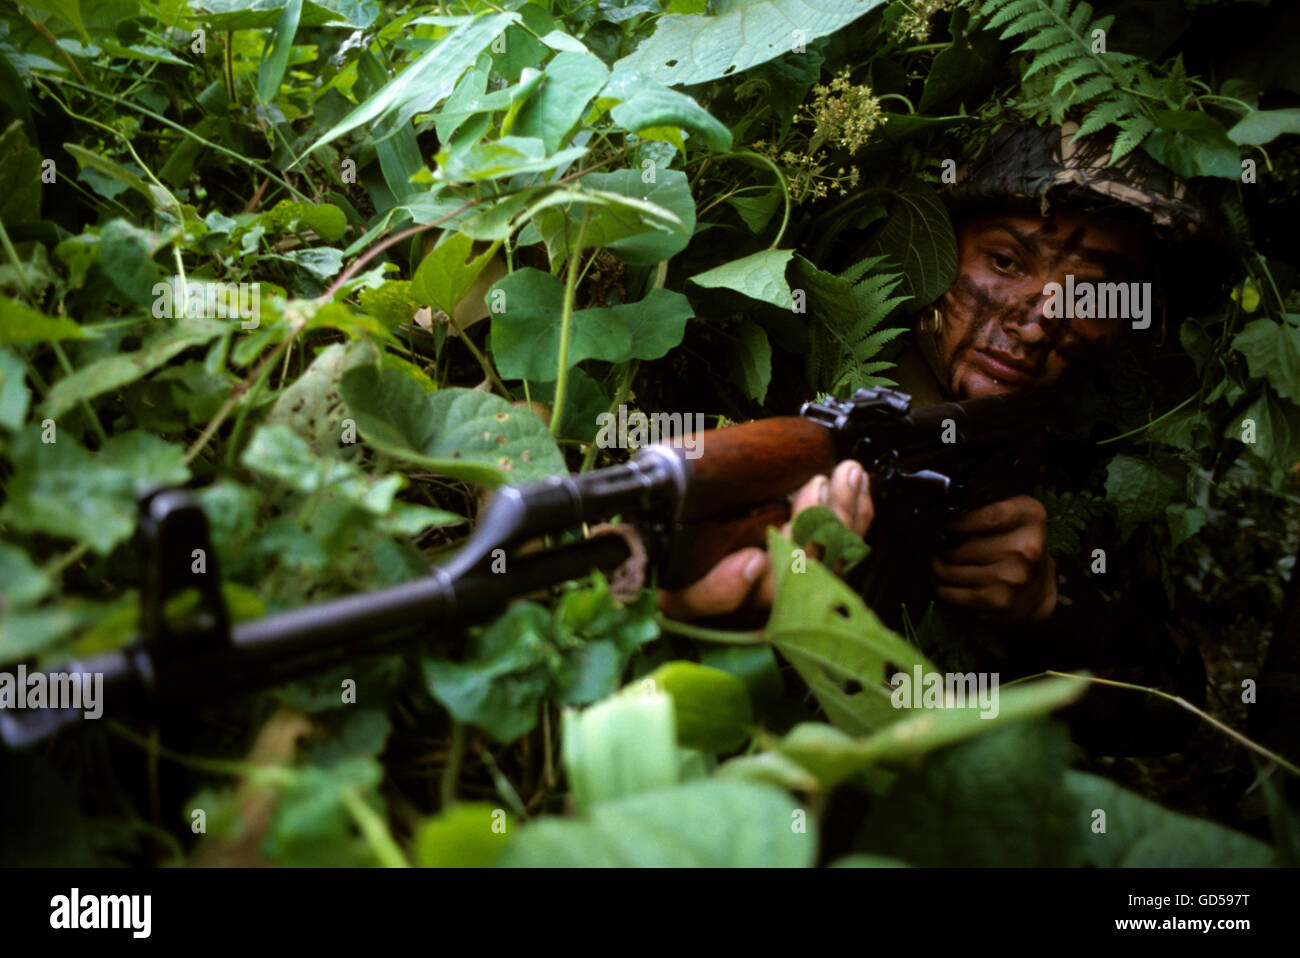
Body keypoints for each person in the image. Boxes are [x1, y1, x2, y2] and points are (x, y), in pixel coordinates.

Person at [661, 119, 1218, 755]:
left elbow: (1174, 715)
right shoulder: (774, 385)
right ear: (936, 250)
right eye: (1005, 262)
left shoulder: (1092, 457)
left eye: (1092, 296)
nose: (1036, 325)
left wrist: (1050, 611)